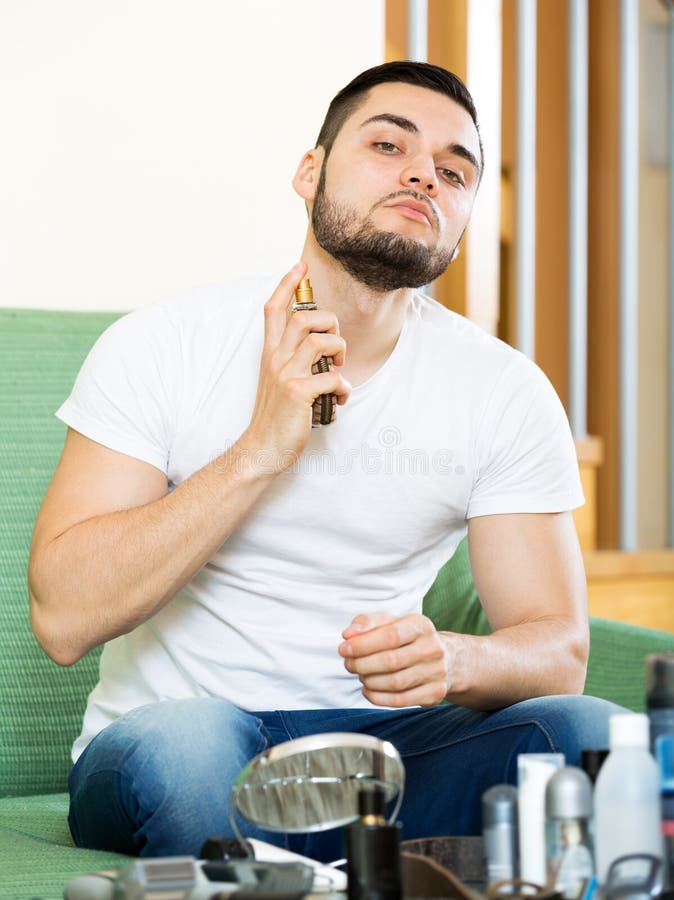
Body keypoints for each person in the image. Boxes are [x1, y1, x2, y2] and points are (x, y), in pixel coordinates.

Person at [28, 61, 617, 862]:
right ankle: (373, 865)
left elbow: (560, 654)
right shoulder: (164, 345)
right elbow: (63, 619)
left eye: (454, 171)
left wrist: (456, 658)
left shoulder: (502, 390)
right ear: (310, 172)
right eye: (389, 145)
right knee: (186, 755)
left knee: (586, 735)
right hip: (190, 736)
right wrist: (259, 451)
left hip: (385, 753)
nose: (425, 175)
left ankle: (311, 867)